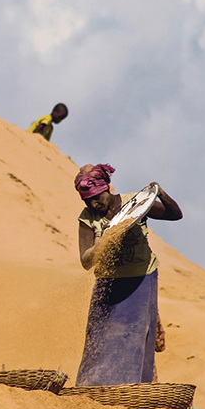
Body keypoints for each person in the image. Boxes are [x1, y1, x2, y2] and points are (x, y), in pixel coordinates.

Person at [74, 164, 182, 386]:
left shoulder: (135, 204)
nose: (93, 204)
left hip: (141, 280)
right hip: (108, 283)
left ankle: (130, 389)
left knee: (133, 337)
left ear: (108, 189)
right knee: (100, 339)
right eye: (87, 201)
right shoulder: (87, 218)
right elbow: (86, 261)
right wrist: (103, 241)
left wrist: (159, 194)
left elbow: (175, 215)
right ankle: (95, 388)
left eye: (97, 198)